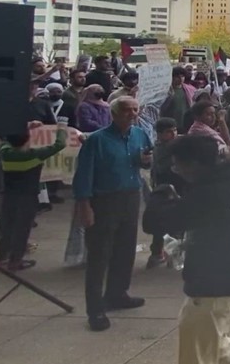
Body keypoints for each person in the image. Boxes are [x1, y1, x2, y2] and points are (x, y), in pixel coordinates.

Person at [141, 134, 230, 364]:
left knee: (196, 350)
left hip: (213, 282)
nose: (176, 170)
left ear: (194, 164)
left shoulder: (214, 194)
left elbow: (156, 221)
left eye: (178, 165)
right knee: (212, 341)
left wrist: (161, 193)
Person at [73, 97, 151, 331]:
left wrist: (146, 161)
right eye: (127, 110)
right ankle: (95, 309)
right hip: (104, 199)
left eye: (135, 110)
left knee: (125, 250)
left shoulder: (139, 134)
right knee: (100, 255)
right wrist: (84, 206)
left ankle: (117, 293)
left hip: (130, 195)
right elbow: (84, 176)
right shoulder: (96, 140)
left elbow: (146, 161)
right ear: (114, 114)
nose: (132, 114)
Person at [0, 122, 68, 270]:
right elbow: (59, 145)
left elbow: (4, 142)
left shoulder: (5, 153)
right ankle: (15, 260)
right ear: (28, 139)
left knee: (7, 227)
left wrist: (26, 127)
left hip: (9, 195)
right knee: (22, 229)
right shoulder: (33, 155)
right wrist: (61, 129)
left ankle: (1, 258)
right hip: (27, 196)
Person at [147, 117, 182, 268]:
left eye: (174, 130)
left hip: (177, 189)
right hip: (164, 190)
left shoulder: (175, 146)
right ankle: (158, 254)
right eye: (169, 132)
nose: (173, 134)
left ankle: (170, 255)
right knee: (162, 225)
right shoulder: (160, 149)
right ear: (159, 134)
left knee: (175, 224)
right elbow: (161, 169)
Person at [162, 66, 196, 134]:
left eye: (182, 76)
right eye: (177, 77)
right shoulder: (166, 91)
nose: (180, 79)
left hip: (185, 123)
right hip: (171, 123)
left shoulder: (189, 89)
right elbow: (162, 108)